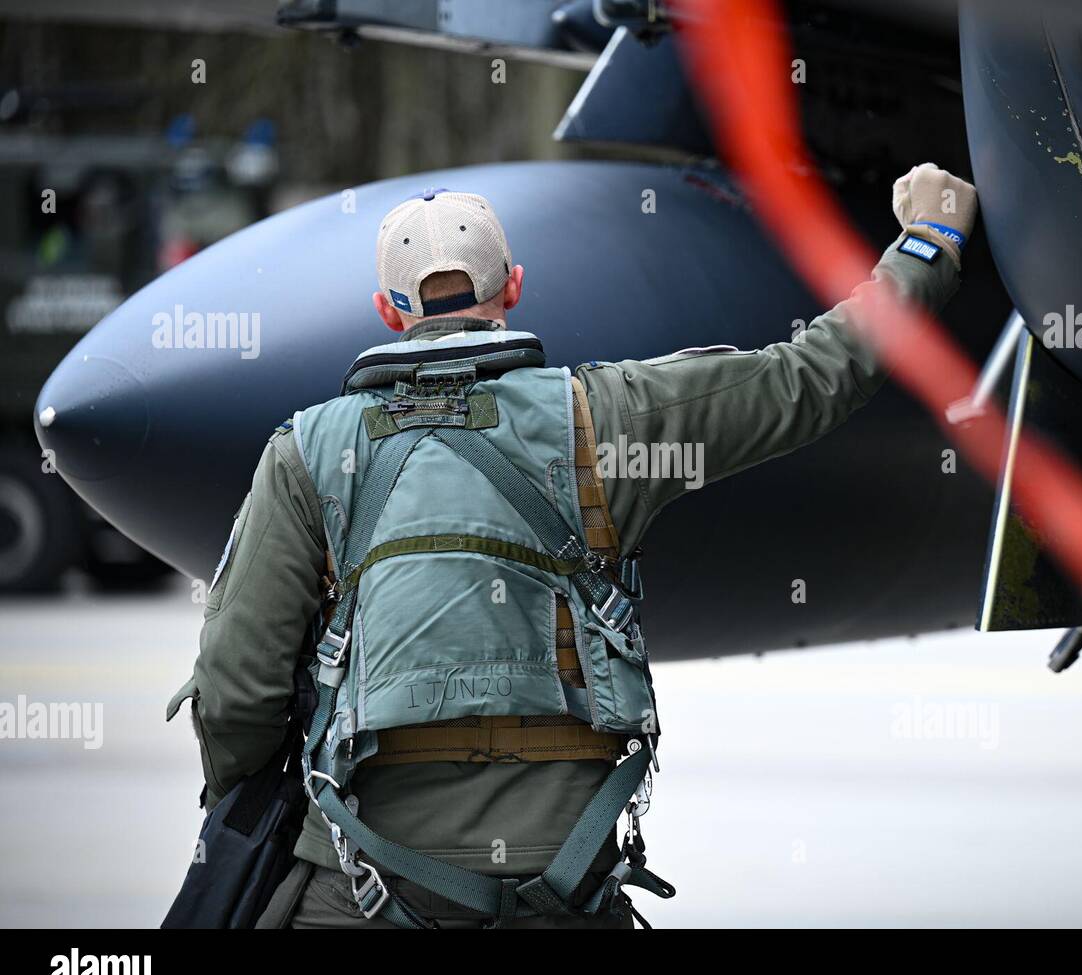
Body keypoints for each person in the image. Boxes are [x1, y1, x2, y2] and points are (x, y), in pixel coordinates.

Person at [168, 167, 978, 928]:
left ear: (388, 310)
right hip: (561, 879)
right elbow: (811, 376)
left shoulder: (308, 453)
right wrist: (927, 245)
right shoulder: (608, 418)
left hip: (360, 882)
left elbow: (238, 687)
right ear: (513, 288)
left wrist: (251, 806)